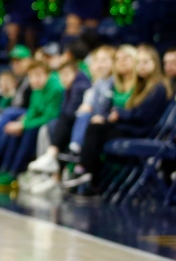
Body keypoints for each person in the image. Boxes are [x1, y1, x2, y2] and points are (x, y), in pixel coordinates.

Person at [67, 46, 171, 193]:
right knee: (96, 126)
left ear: (155, 64)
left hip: (143, 132)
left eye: (145, 62)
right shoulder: (143, 86)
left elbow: (141, 115)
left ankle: (86, 171)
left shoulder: (158, 87)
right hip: (134, 128)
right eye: (139, 62)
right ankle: (89, 175)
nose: (141, 66)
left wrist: (119, 114)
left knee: (97, 128)